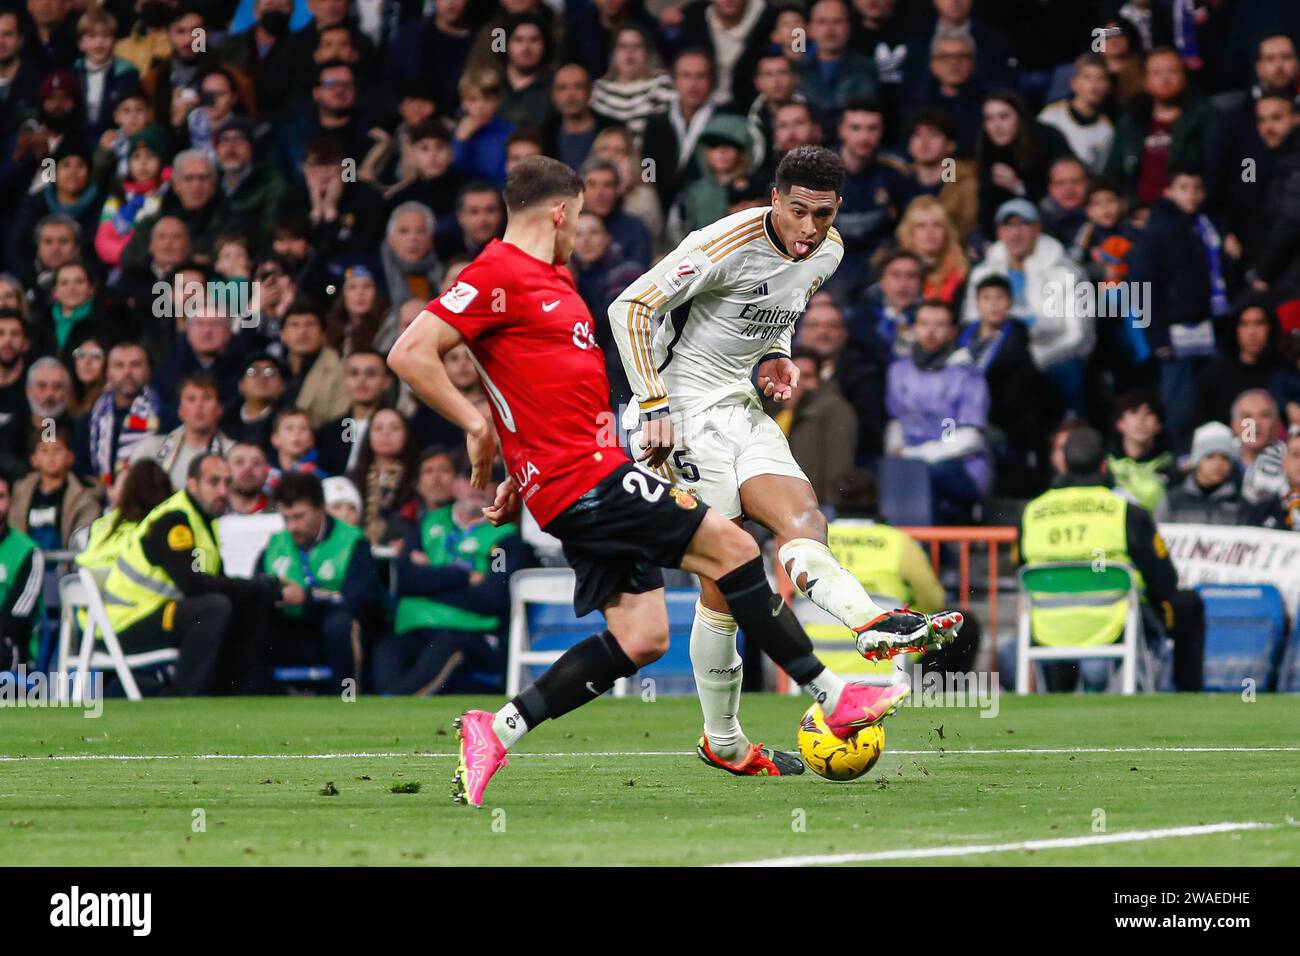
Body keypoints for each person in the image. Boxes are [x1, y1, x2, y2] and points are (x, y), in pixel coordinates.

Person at [387, 156, 961, 806]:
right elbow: (410, 352)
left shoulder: (553, 280)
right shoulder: (500, 275)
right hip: (594, 475)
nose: (580, 230)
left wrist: (520, 462)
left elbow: (539, 390)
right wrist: (477, 428)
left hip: (582, 472)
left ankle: (495, 729)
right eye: (578, 217)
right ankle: (836, 690)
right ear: (558, 213)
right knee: (736, 552)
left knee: (642, 637)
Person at [607, 146, 964, 772]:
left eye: (821, 215)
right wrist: (654, 402)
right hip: (679, 412)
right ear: (774, 199)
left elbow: (772, 319)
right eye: (796, 211)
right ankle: (722, 738)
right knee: (723, 578)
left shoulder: (830, 253)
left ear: (837, 212)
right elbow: (630, 308)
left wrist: (775, 354)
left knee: (804, 520)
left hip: (742, 407)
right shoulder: (720, 243)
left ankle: (870, 623)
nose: (807, 229)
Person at [1019, 427, 1204, 692]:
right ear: (1105, 466)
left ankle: (1059, 696)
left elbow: (1022, 570)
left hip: (1049, 624)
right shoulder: (1126, 512)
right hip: (1114, 622)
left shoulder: (1031, 513)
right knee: (1189, 604)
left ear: (1063, 463)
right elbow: (1164, 580)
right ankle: (1188, 701)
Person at [99, 453, 289, 695]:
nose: (222, 490)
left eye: (227, 483)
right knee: (212, 607)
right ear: (192, 484)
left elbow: (215, 581)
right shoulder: (173, 519)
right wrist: (255, 584)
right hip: (125, 623)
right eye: (214, 482)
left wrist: (255, 590)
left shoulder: (204, 521)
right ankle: (187, 696)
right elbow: (193, 585)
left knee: (243, 602)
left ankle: (238, 692)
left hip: (155, 614)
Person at [375, 457, 527, 695]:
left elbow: (494, 597)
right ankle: (387, 703)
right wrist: (463, 578)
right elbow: (405, 580)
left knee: (447, 646)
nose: (477, 486)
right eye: (470, 478)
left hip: (471, 633)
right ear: (456, 485)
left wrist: (428, 580)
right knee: (387, 649)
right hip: (415, 628)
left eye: (487, 481)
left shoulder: (507, 538)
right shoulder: (427, 523)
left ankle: (394, 706)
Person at [254, 472, 376, 691]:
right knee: (253, 620)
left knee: (341, 624)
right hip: (291, 630)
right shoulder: (276, 543)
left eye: (299, 517)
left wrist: (307, 597)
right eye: (286, 518)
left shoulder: (353, 541)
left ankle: (349, 698)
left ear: (321, 509)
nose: (292, 527)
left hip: (335, 629)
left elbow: (356, 598)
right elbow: (256, 586)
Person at [886, 299, 990, 520]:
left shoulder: (967, 374)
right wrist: (894, 449)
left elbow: (970, 438)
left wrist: (916, 456)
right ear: (914, 329)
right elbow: (895, 421)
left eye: (939, 325)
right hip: (909, 463)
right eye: (924, 324)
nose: (930, 332)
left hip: (960, 466)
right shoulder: (898, 371)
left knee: (923, 476)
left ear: (952, 332)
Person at [10, 424, 99, 551]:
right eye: (44, 450)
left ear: (70, 457)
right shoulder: (19, 493)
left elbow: (83, 539)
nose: (51, 456)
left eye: (57, 449)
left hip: (65, 565)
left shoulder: (84, 497)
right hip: (25, 564)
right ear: (33, 459)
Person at [1155, 422, 1247, 526]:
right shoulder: (1173, 501)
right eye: (1210, 456)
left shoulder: (1241, 505)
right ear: (1197, 460)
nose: (1218, 464)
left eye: (1225, 457)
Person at [0, 473, 44, 671]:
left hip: (11, 644)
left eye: (0, 497)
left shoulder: (28, 551)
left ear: (10, 502)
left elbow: (18, 614)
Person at [1107, 388, 1176, 514]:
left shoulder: (1171, 468)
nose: (1141, 419)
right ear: (1120, 423)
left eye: (1148, 413)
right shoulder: (1105, 466)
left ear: (1158, 426)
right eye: (1134, 412)